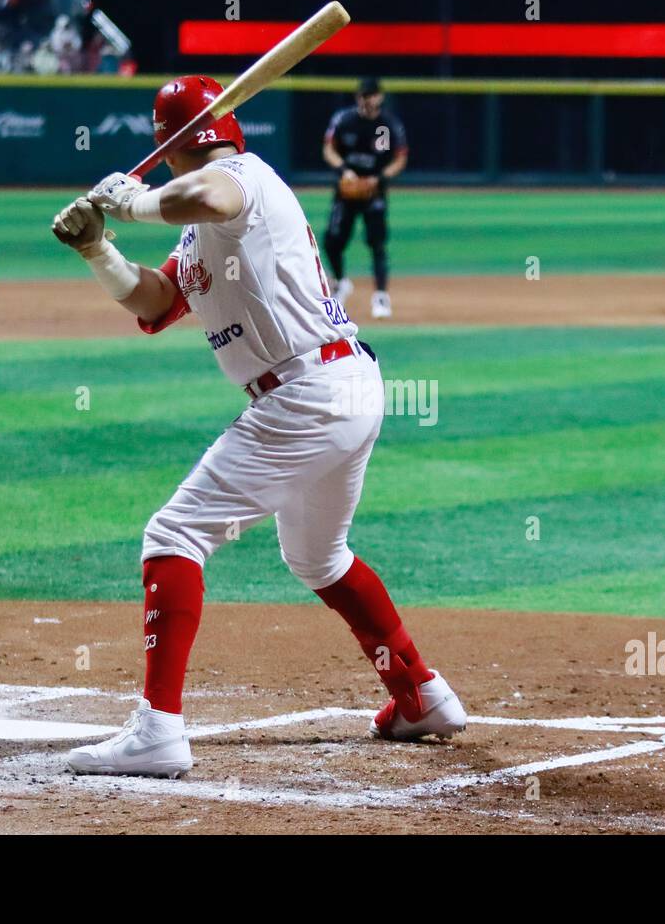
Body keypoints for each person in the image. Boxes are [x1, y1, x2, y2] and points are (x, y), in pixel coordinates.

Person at [50, 75, 466, 778]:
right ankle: (422, 694)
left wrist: (132, 198)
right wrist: (100, 250)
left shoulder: (240, 179)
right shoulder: (201, 223)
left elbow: (208, 191)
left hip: (308, 393)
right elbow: (156, 302)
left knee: (173, 534)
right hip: (336, 389)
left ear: (166, 144)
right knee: (318, 558)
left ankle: (156, 731)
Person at [321, 76, 408, 319]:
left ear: (380, 97)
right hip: (346, 189)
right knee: (332, 240)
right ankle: (340, 282)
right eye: (363, 95)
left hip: (374, 191)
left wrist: (379, 179)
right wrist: (343, 170)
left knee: (377, 243)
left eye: (371, 95)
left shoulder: (388, 124)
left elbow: (400, 158)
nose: (367, 100)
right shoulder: (344, 120)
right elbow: (328, 148)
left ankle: (380, 295)